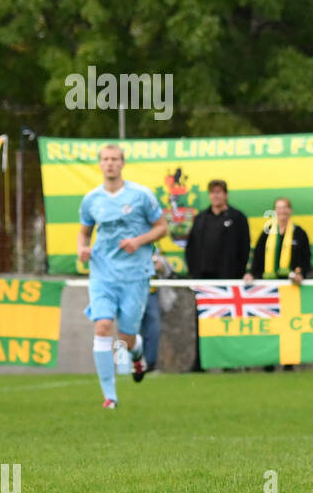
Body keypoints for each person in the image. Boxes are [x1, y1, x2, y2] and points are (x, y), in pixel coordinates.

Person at [77, 144, 168, 408]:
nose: (110, 163)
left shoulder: (142, 196)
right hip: (102, 274)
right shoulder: (91, 199)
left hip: (135, 275)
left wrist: (139, 241)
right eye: (105, 159)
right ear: (100, 164)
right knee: (103, 325)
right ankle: (110, 396)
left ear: (122, 163)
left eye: (115, 159)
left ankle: (136, 349)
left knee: (125, 339)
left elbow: (162, 227)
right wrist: (82, 249)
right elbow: (84, 231)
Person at [184, 179, 249, 371]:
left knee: (226, 321)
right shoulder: (202, 218)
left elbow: (244, 248)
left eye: (220, 192)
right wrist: (194, 273)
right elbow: (191, 247)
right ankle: (200, 362)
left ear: (226, 195)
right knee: (202, 322)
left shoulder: (237, 218)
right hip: (204, 280)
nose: (216, 196)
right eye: (213, 192)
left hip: (228, 280)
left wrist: (237, 274)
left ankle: (229, 362)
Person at [244, 197, 311, 372]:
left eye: (284, 208)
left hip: (290, 286)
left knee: (288, 324)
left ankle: (288, 361)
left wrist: (300, 273)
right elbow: (258, 256)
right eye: (278, 209)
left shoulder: (299, 233)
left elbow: (305, 258)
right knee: (270, 324)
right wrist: (251, 273)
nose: (281, 212)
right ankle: (269, 360)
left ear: (290, 210)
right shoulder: (267, 232)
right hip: (269, 286)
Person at [139, 251, 176, 374]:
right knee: (132, 330)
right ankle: (134, 363)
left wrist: (160, 266)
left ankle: (150, 364)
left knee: (154, 329)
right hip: (132, 294)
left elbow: (168, 271)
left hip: (152, 294)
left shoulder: (154, 249)